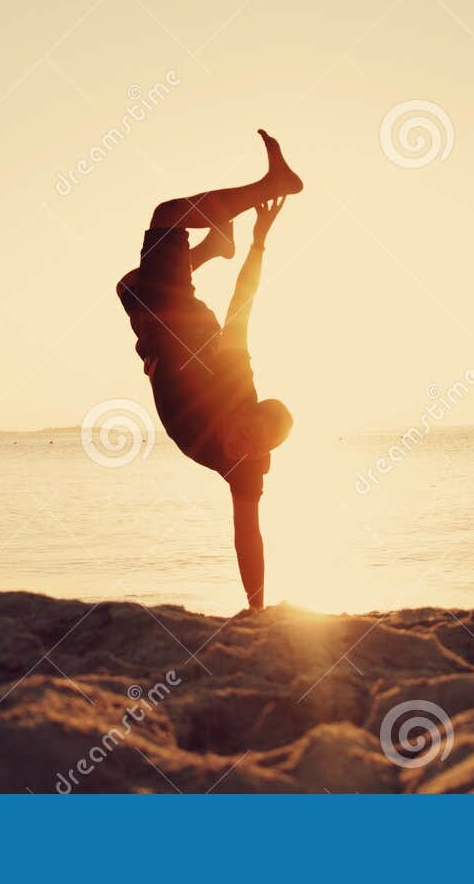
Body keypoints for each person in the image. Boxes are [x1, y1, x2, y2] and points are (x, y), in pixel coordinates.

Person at [116, 130, 302, 610]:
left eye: (253, 443)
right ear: (248, 410)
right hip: (180, 322)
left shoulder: (248, 471)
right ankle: (270, 186)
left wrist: (257, 608)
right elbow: (243, 303)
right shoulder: (237, 381)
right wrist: (259, 243)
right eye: (248, 428)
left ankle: (214, 248)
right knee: (167, 216)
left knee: (129, 287)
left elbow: (248, 538)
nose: (243, 441)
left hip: (158, 340)